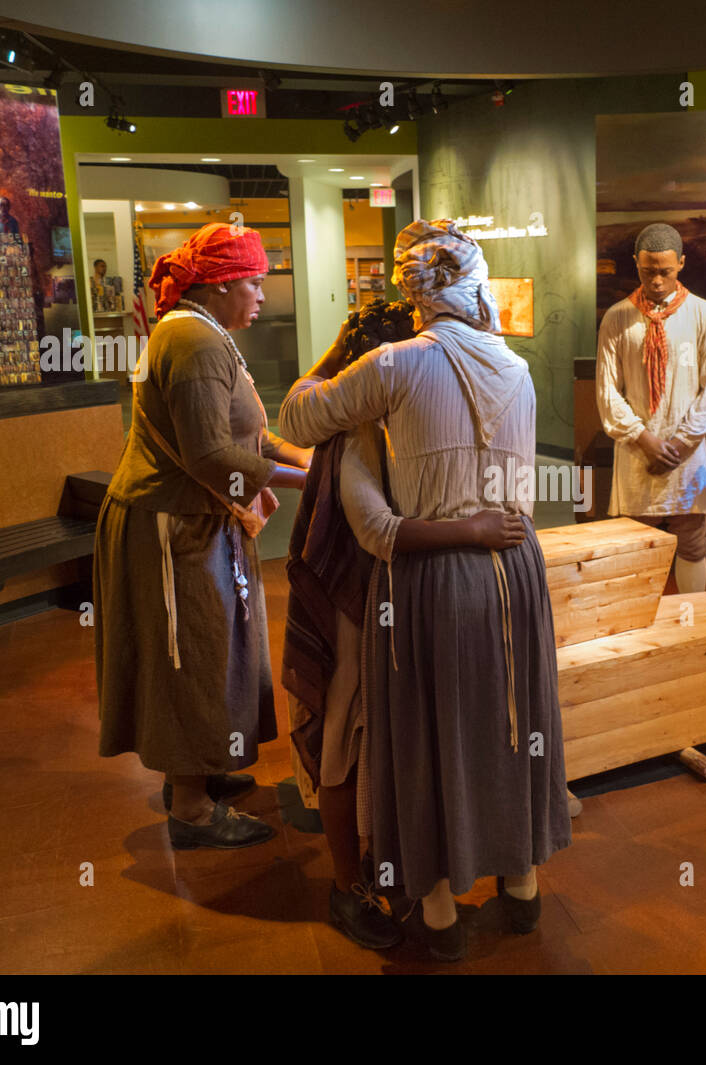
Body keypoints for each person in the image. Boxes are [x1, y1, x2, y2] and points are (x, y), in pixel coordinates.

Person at [279, 219, 571, 962]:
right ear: (476, 286)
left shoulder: (393, 366)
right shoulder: (520, 367)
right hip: (517, 568)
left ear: (416, 297)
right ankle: (522, 885)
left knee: (429, 737)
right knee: (510, 725)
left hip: (431, 579)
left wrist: (330, 372)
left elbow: (296, 418)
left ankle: (438, 912)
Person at [94, 222, 311, 848]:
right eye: (254, 282)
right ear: (218, 286)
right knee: (187, 652)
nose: (262, 295)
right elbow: (212, 457)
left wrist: (307, 461)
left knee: (206, 645)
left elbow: (244, 436)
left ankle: (198, 768)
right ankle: (189, 805)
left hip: (188, 518)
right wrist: (307, 483)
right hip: (173, 525)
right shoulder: (193, 343)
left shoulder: (200, 333)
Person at [595, 223, 706, 594]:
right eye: (647, 271)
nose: (656, 281)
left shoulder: (704, 315)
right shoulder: (617, 318)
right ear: (636, 263)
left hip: (687, 454)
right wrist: (643, 439)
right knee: (635, 545)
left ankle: (690, 624)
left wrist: (682, 442)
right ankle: (639, 634)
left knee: (692, 541)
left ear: (681, 264)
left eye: (665, 271)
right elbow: (608, 391)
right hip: (637, 453)